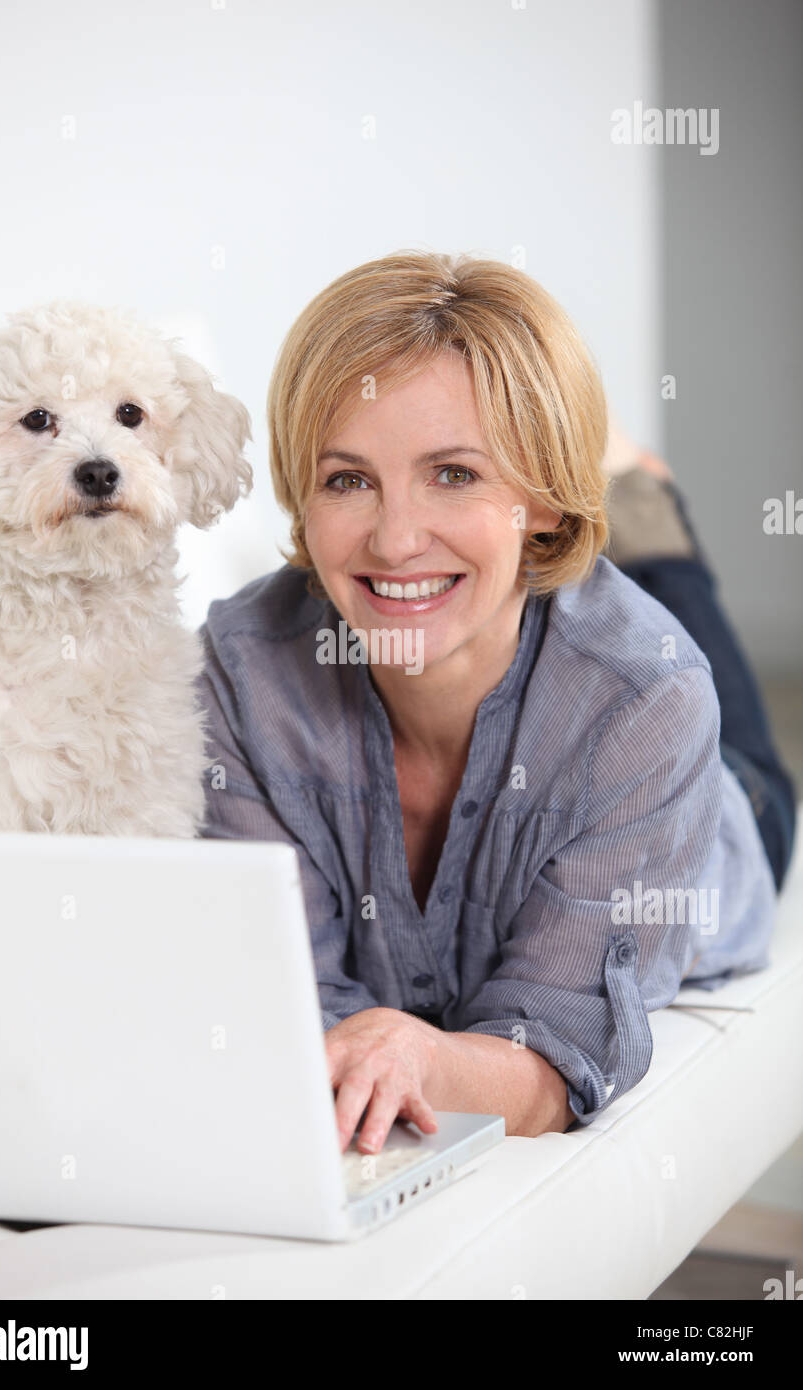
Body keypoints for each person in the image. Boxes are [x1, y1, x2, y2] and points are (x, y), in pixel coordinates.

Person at [196, 251, 797, 1155]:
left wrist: (422, 1059)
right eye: (348, 479)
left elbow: (558, 1048)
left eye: (455, 474)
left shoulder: (646, 699)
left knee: (683, 632)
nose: (395, 541)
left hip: (721, 813)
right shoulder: (240, 678)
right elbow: (294, 1003)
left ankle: (636, 486)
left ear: (547, 503)